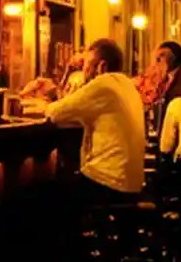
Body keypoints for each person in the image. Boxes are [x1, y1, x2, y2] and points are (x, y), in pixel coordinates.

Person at [46, 38, 146, 199]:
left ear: (101, 66)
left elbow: (55, 112)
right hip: (132, 183)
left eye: (86, 65)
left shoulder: (103, 85)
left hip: (108, 181)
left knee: (46, 193)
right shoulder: (127, 85)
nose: (84, 71)